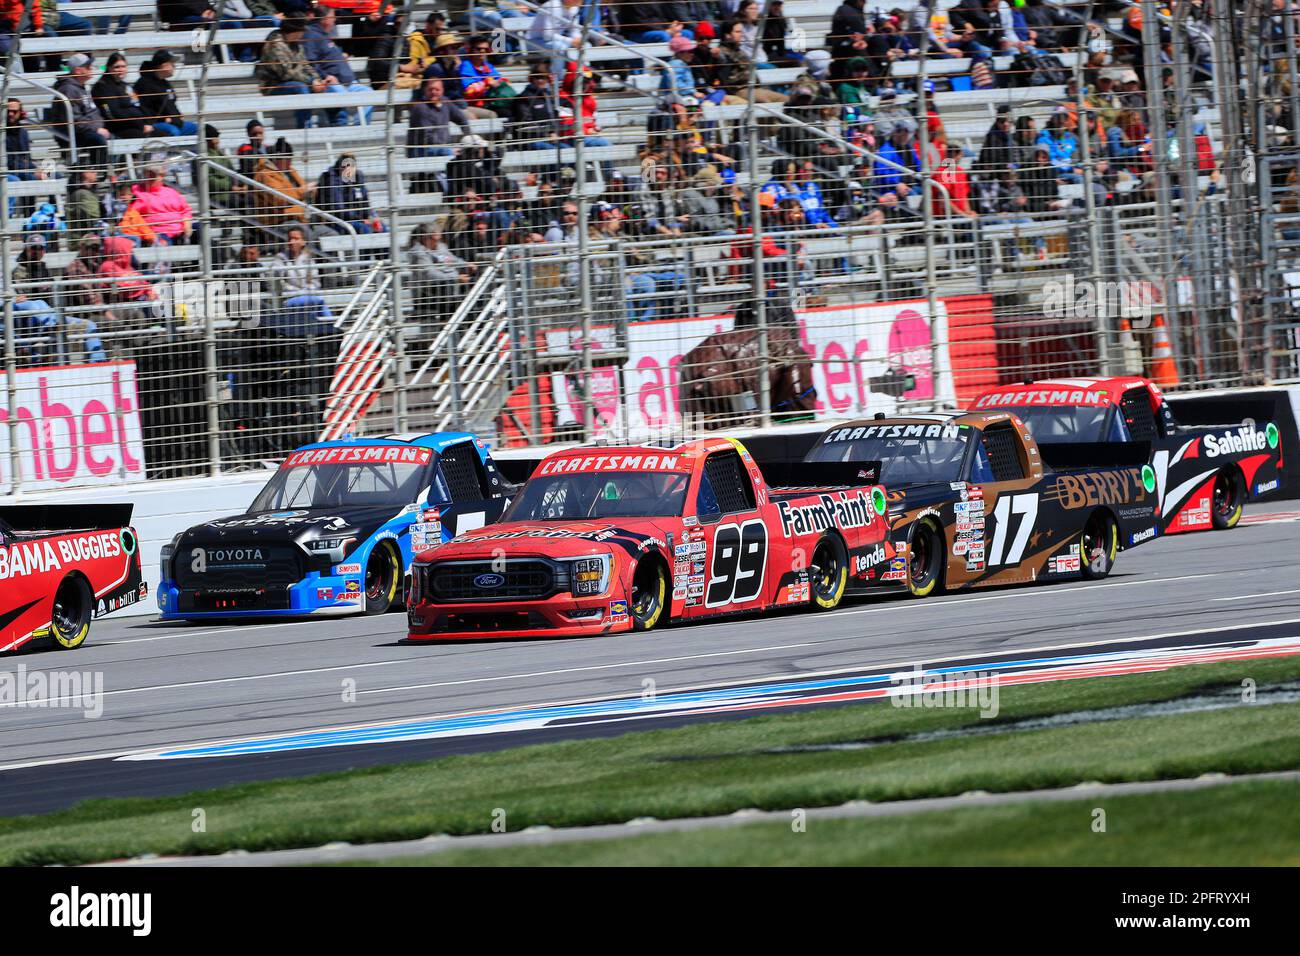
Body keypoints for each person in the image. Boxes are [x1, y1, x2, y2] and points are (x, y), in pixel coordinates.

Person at [256, 16, 334, 128]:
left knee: (331, 88)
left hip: (296, 81)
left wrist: (317, 80)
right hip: (273, 85)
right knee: (301, 87)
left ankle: (334, 124)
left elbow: (305, 65)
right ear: (294, 31)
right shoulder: (274, 45)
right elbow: (286, 74)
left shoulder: (296, 44)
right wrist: (310, 82)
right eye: (301, 31)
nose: (303, 35)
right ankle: (304, 127)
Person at [305, 7, 372, 126]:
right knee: (341, 101)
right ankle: (345, 130)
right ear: (325, 19)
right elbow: (310, 62)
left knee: (370, 95)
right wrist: (325, 76)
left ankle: (358, 128)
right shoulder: (312, 35)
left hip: (348, 82)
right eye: (332, 17)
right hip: (332, 83)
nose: (335, 20)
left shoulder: (324, 35)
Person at [407, 221, 470, 332]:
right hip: (426, 294)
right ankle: (449, 324)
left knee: (472, 279)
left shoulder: (440, 247)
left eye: (439, 237)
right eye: (435, 238)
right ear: (425, 238)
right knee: (447, 285)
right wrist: (455, 278)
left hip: (446, 290)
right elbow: (430, 274)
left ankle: (463, 321)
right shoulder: (418, 252)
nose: (438, 241)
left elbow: (453, 260)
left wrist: (467, 265)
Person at [52, 53, 111, 171]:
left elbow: (94, 112)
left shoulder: (80, 87)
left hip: (87, 130)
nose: (91, 68)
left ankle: (116, 173)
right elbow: (74, 120)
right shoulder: (68, 89)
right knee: (98, 140)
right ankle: (100, 174)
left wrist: (98, 126)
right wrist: (96, 129)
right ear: (78, 71)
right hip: (75, 133)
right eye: (88, 66)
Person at [270, 225, 332, 335]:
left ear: (303, 241)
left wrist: (306, 289)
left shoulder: (308, 258)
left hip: (307, 295)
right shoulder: (280, 258)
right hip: (289, 298)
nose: (292, 241)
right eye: (290, 238)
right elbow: (279, 282)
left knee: (318, 302)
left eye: (296, 238)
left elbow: (315, 282)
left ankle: (329, 330)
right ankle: (331, 330)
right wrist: (300, 290)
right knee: (320, 302)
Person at [134, 49, 197, 137]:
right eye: (172, 63)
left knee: (201, 129)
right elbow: (143, 109)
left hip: (175, 122)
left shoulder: (164, 83)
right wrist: (164, 119)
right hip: (155, 124)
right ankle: (174, 151)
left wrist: (177, 116)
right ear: (163, 65)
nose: (174, 66)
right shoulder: (144, 84)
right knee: (173, 131)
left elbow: (171, 103)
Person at [92, 53, 155, 139]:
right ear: (109, 68)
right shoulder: (102, 87)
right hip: (118, 128)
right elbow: (113, 113)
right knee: (148, 139)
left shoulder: (126, 86)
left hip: (138, 125)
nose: (121, 70)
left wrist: (147, 123)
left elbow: (140, 105)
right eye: (117, 67)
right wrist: (137, 119)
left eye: (123, 66)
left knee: (163, 135)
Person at [314, 153, 380, 234]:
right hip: (337, 221)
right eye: (345, 166)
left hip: (356, 219)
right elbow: (338, 210)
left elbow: (365, 202)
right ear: (340, 167)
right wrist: (361, 219)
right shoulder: (331, 181)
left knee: (382, 228)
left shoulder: (358, 179)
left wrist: (371, 217)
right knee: (365, 229)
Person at [254, 137, 312, 226]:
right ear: (278, 158)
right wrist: (302, 191)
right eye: (288, 159)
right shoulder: (265, 174)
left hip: (297, 215)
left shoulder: (290, 170)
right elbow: (280, 199)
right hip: (278, 221)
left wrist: (310, 191)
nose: (290, 162)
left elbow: (303, 186)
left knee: (328, 232)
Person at [409, 76, 470, 157]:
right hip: (420, 149)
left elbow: (461, 119)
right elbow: (427, 137)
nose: (433, 92)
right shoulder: (421, 108)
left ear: (442, 90)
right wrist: (449, 149)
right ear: (425, 91)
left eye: (437, 89)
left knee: (470, 149)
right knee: (448, 153)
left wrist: (468, 136)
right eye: (430, 89)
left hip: (442, 147)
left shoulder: (446, 102)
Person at [131, 164, 193, 244]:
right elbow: (131, 215)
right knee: (162, 242)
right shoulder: (136, 192)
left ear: (162, 176)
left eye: (154, 174)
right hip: (157, 232)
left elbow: (185, 210)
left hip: (180, 230)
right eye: (148, 174)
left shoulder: (171, 192)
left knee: (202, 229)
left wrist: (187, 225)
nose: (150, 177)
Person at [510, 62, 561, 149]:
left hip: (547, 138)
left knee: (568, 150)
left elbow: (553, 118)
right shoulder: (523, 97)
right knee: (554, 151)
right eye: (537, 77)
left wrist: (553, 132)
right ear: (531, 79)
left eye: (543, 77)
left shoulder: (548, 96)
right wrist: (546, 134)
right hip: (530, 140)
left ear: (548, 79)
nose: (540, 80)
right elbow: (525, 123)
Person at [197, 125, 237, 208]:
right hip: (217, 195)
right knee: (247, 201)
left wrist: (241, 185)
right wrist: (230, 186)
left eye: (217, 138)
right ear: (206, 141)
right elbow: (208, 180)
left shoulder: (220, 154)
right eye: (214, 138)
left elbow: (233, 172)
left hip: (229, 192)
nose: (218, 141)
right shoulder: (202, 158)